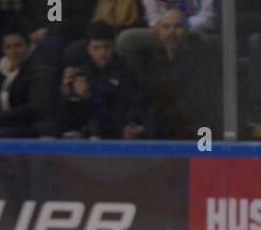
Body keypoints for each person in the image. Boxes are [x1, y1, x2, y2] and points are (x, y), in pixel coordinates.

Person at [134, 9, 221, 139]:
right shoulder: (152, 60)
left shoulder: (201, 57)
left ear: (187, 31)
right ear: (158, 32)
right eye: (166, 27)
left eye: (177, 26)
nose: (171, 32)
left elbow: (197, 102)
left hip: (196, 129)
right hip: (159, 125)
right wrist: (134, 121)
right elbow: (144, 96)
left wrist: (150, 124)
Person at [57, 21, 147, 138]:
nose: (102, 52)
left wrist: (89, 97)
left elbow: (119, 117)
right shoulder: (82, 73)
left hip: (115, 135)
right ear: (88, 50)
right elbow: (65, 119)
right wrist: (65, 93)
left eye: (107, 47)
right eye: (96, 48)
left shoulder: (126, 73)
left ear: (114, 47)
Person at [0, 27, 57, 137]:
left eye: (18, 46)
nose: (13, 51)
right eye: (8, 47)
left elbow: (34, 109)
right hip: (1, 123)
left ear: (28, 46)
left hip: (29, 127)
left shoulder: (39, 70)